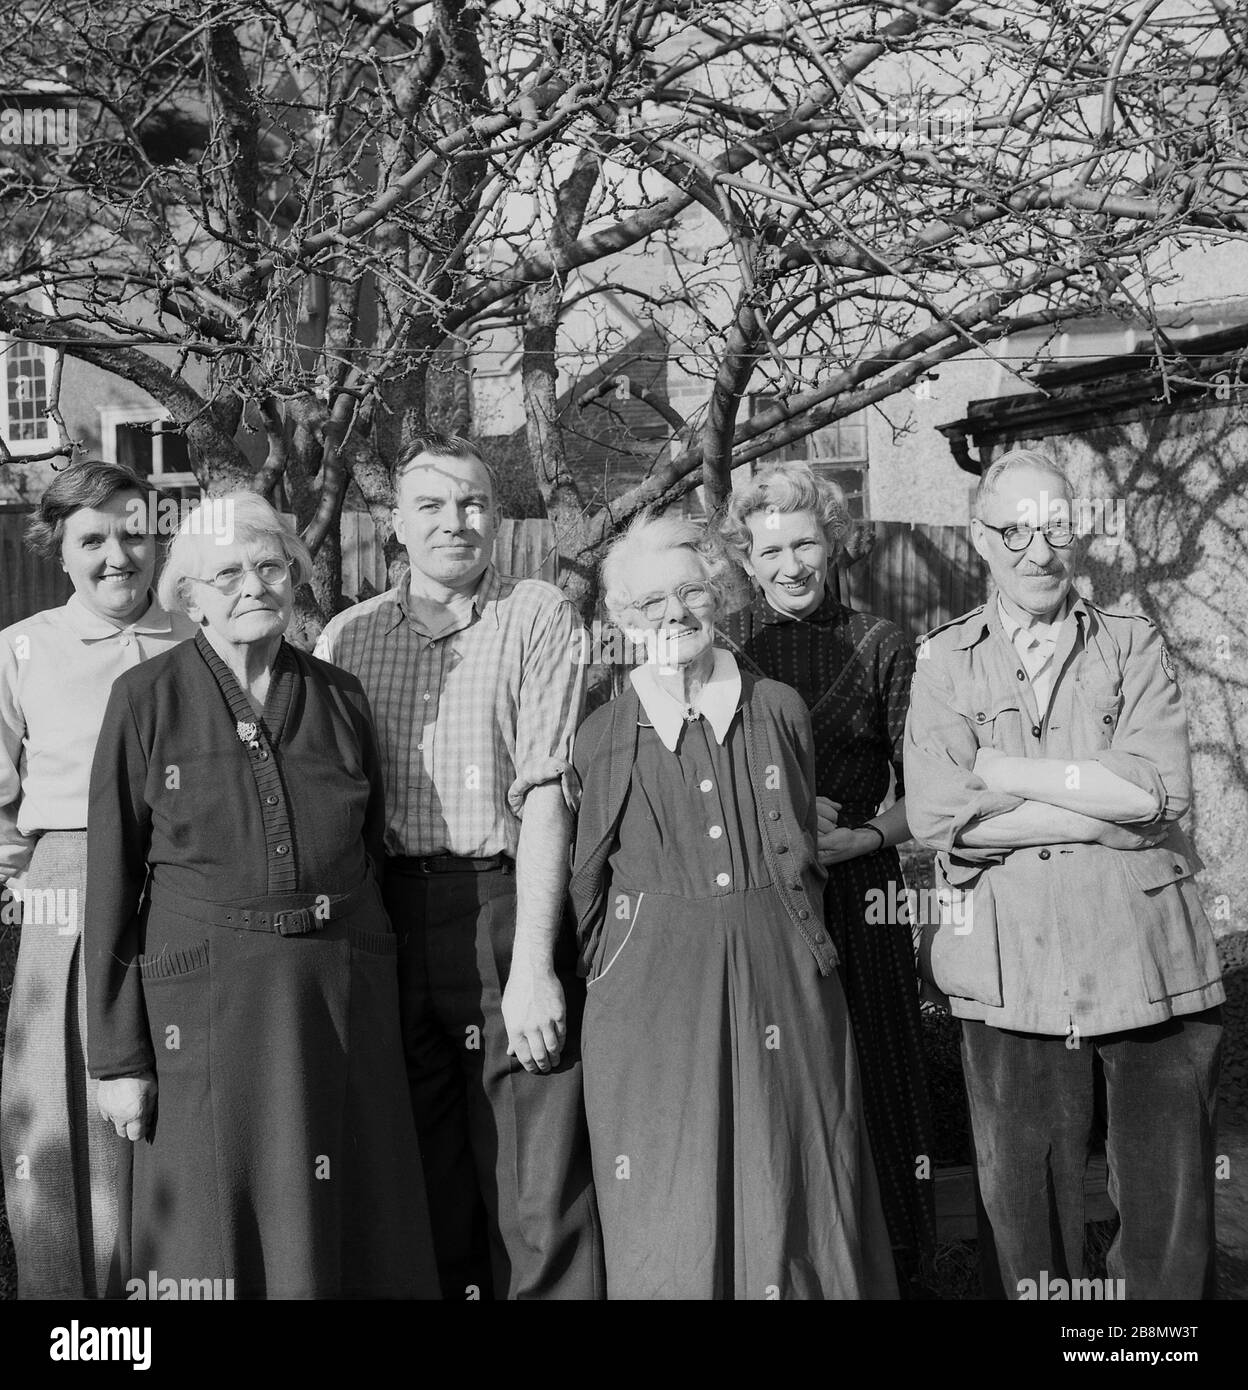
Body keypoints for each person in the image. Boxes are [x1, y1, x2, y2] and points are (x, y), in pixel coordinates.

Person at [85, 492, 438, 1299]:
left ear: (296, 577)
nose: (255, 586)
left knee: (352, 1223)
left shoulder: (341, 696)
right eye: (229, 573)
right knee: (208, 1240)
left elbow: (369, 849)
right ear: (191, 595)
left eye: (271, 566)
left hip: (337, 1005)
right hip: (206, 1013)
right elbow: (112, 883)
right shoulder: (145, 701)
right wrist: (118, 1059)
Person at [904, 447, 1223, 1300]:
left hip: (1148, 956)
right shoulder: (941, 664)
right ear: (980, 537)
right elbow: (938, 813)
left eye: (1057, 527)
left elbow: (1162, 791)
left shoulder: (1133, 644)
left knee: (1169, 1220)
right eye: (1016, 531)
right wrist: (1103, 805)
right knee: (1025, 1214)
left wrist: (1004, 776)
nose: (1040, 550)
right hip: (1014, 972)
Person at [570, 512, 897, 1300]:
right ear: (621, 618)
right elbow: (587, 884)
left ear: (718, 593)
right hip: (650, 992)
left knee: (794, 1171)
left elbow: (797, 849)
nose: (674, 615)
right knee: (667, 1187)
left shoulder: (779, 707)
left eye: (690, 591)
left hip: (781, 968)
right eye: (650, 603)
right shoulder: (600, 732)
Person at [314, 433, 602, 1301]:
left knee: (534, 1178)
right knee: (420, 1170)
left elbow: (549, 790)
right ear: (394, 525)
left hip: (503, 902)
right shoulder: (348, 636)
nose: (457, 522)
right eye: (432, 506)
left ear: (497, 514)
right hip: (388, 913)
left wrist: (532, 969)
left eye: (475, 503)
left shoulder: (539, 613)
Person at [716, 462, 936, 1285]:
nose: (791, 565)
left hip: (862, 893)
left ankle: (898, 1268)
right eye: (770, 549)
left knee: (876, 1078)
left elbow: (932, 793)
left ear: (833, 541)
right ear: (746, 556)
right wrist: (786, 823)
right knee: (786, 1087)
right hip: (765, 899)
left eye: (805, 542)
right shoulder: (729, 644)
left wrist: (868, 838)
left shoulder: (883, 643)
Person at [0, 459, 195, 1299]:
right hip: (67, 899)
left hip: (187, 892)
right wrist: (34, 890)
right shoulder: (22, 649)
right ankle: (75, 1320)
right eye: (93, 538)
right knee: (65, 1128)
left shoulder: (202, 638)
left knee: (180, 1118)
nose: (118, 554)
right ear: (60, 548)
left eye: (134, 531)